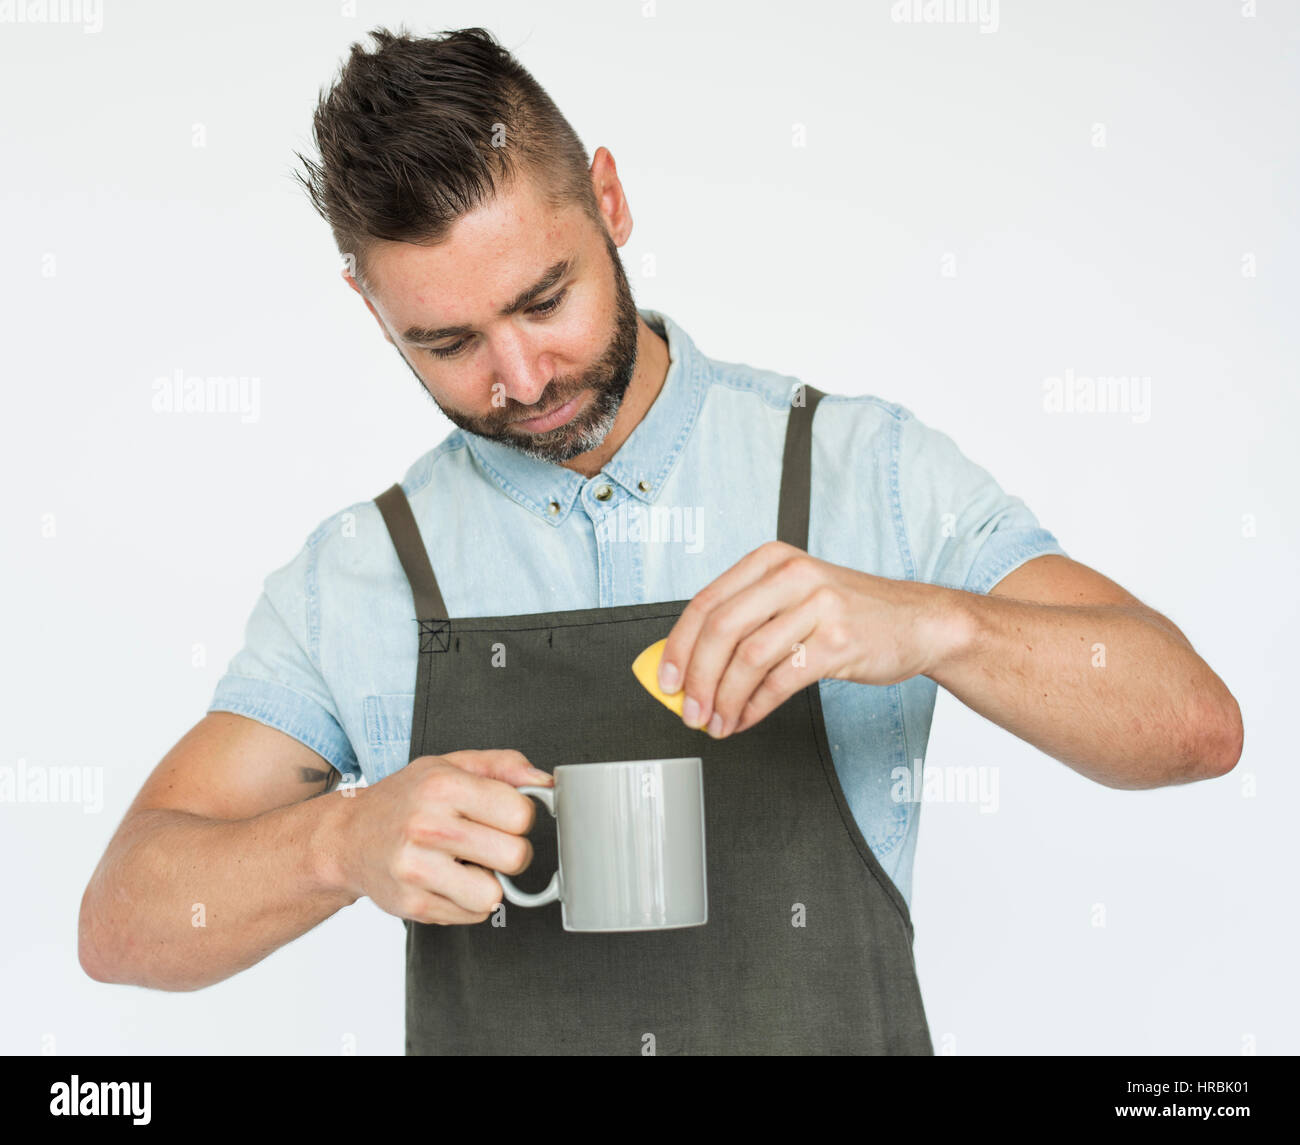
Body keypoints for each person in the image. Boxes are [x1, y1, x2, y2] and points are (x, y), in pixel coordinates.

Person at [78, 26, 1243, 1055]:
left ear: (610, 200)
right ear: (368, 308)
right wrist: (336, 839)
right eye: (447, 343)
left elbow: (1195, 725)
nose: (521, 377)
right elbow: (121, 922)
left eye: (545, 299)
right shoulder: (361, 571)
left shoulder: (859, 469)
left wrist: (936, 620)